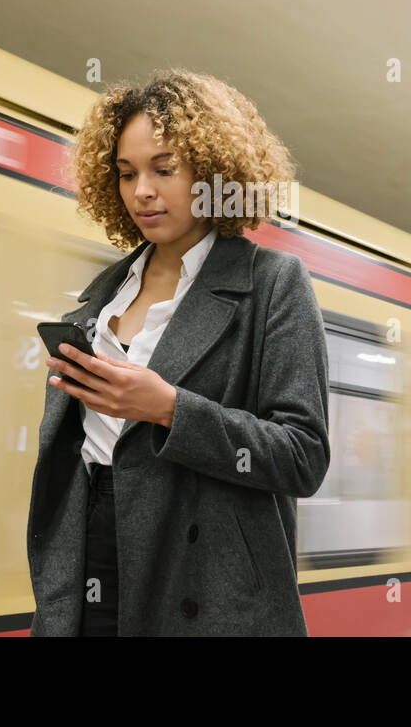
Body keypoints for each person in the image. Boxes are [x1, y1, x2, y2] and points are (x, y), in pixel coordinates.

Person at [27, 69, 331, 636]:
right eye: (125, 174)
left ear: (215, 174)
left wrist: (170, 408)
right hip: (89, 546)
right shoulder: (104, 292)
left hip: (202, 572)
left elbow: (302, 455)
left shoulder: (272, 283)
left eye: (163, 170)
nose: (141, 190)